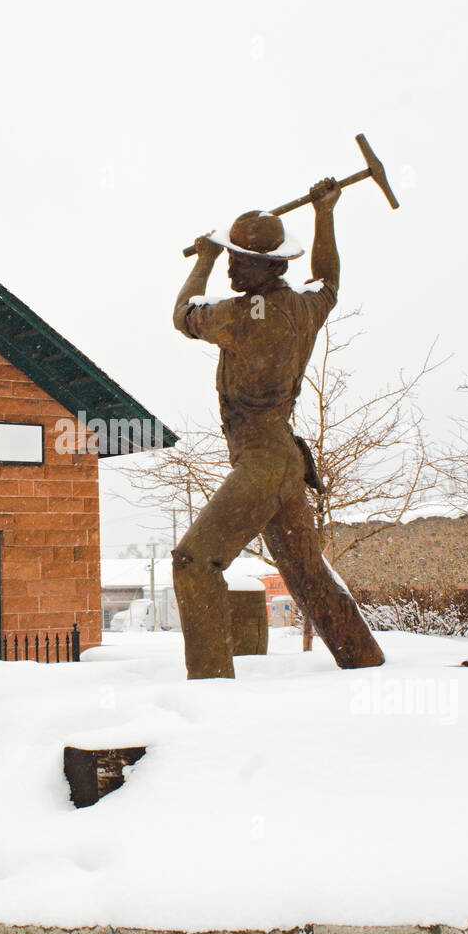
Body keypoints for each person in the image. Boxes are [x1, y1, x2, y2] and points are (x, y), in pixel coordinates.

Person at [171, 177, 385, 679]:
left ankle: (209, 688)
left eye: (239, 259)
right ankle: (367, 663)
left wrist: (200, 258)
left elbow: (183, 315)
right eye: (226, 256)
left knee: (194, 562)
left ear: (272, 266)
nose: (229, 266)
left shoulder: (245, 315)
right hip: (283, 459)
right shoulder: (305, 307)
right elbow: (328, 279)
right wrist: (325, 214)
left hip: (266, 460)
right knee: (308, 574)